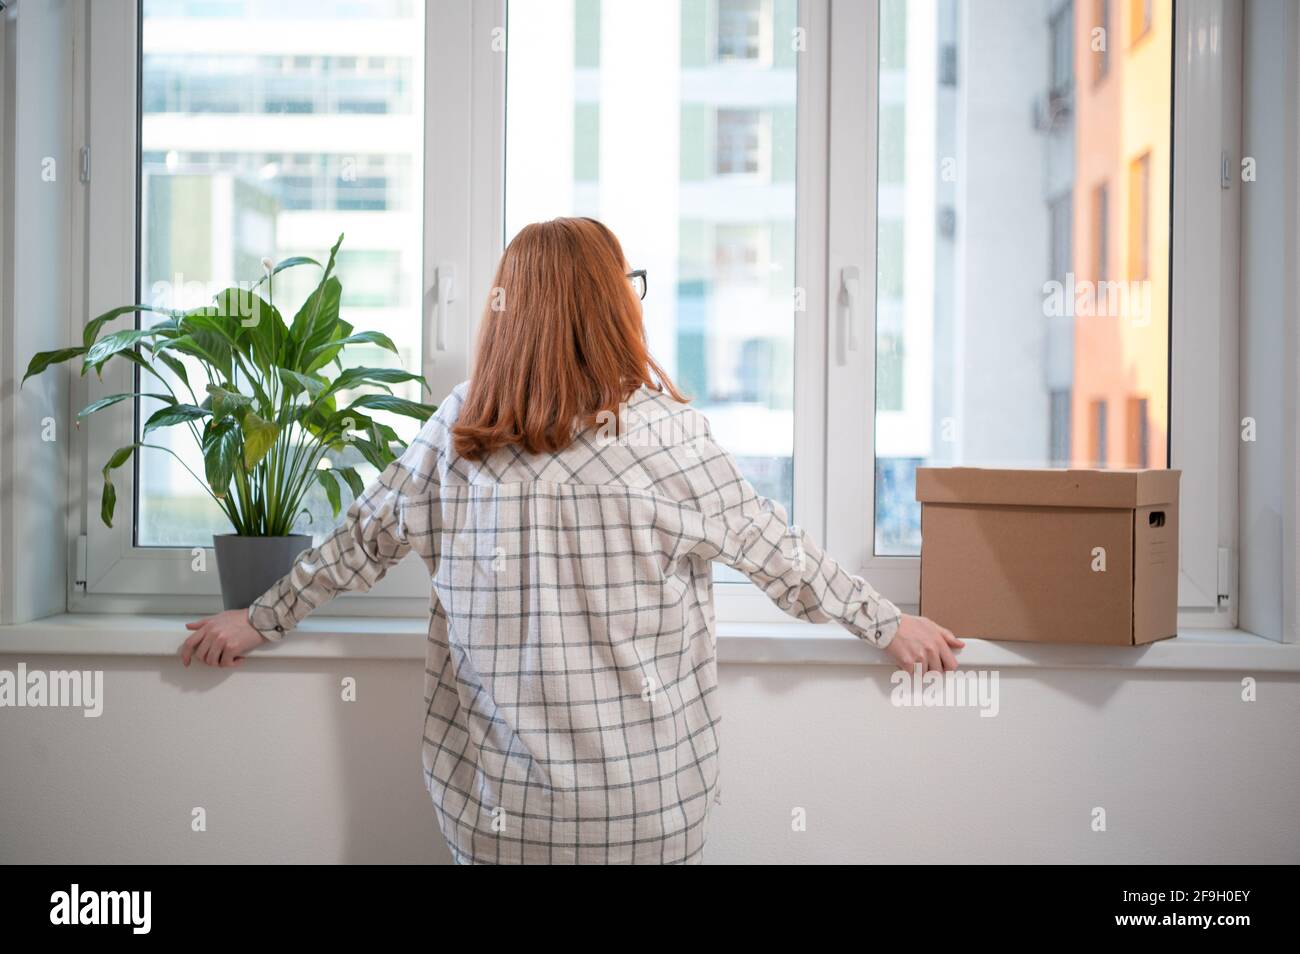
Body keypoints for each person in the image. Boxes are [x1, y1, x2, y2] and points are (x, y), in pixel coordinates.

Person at [180, 216, 963, 864]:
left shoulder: (456, 434)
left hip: (501, 821)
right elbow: (782, 557)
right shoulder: (668, 438)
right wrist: (890, 623)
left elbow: (358, 541)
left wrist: (258, 618)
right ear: (612, 308)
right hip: (648, 816)